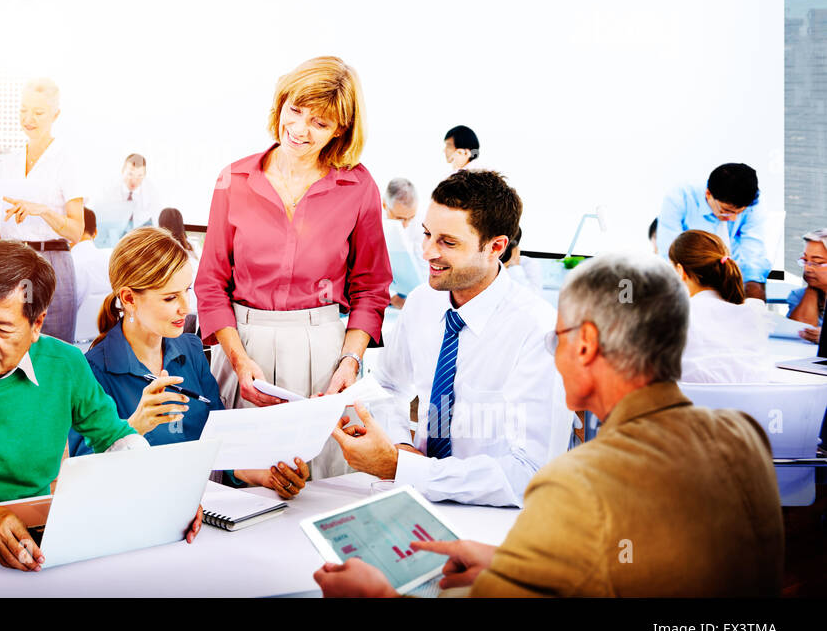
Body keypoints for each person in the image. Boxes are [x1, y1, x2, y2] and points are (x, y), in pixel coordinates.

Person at [315, 254, 784, 597]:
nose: (550, 353)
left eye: (554, 337)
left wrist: (378, 596)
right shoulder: (744, 435)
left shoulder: (574, 483)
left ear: (584, 347)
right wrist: (510, 563)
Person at [0, 240, 201, 572]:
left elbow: (115, 436)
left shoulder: (65, 363)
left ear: (37, 325)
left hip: (35, 530)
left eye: (3, 329)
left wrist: (168, 490)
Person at [195, 56, 392, 479]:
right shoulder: (235, 178)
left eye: (319, 123)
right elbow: (210, 283)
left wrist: (349, 362)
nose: (300, 130)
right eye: (295, 111)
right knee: (236, 484)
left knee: (316, 483)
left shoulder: (358, 187)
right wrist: (237, 358)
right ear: (281, 104)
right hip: (241, 349)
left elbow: (372, 288)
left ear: (341, 128)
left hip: (323, 352)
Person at [330, 170, 570, 507]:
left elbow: (531, 473)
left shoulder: (539, 331)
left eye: (448, 242)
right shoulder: (421, 303)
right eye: (427, 234)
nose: (427, 252)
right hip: (418, 498)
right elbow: (387, 385)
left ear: (496, 247)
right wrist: (401, 448)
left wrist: (405, 469)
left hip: (498, 517)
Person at [67, 227, 310, 499]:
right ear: (128, 298)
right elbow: (81, 476)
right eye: (170, 298)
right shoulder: (91, 371)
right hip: (139, 512)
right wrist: (135, 426)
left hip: (203, 508)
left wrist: (264, 475)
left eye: (187, 291)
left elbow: (220, 445)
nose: (186, 306)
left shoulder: (192, 350)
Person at [0, 78, 84, 343]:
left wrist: (42, 211)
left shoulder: (66, 162)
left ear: (55, 115)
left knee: (54, 346)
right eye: (23, 110)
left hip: (51, 261)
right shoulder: (8, 163)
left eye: (38, 112)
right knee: (10, 341)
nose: (29, 118)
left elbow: (76, 230)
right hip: (11, 261)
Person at [668, 230, 770, 383]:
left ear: (680, 271)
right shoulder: (754, 312)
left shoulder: (676, 315)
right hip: (750, 405)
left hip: (693, 403)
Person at [656, 163, 770, 300]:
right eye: (726, 211)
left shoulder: (753, 202)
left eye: (739, 213)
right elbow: (670, 255)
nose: (733, 219)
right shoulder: (680, 198)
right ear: (708, 194)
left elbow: (753, 254)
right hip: (690, 280)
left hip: (733, 279)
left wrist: (754, 296)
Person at [94, 154, 161, 247]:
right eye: (130, 174)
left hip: (139, 232)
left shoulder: (151, 192)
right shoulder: (110, 188)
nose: (134, 180)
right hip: (113, 230)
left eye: (140, 176)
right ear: (123, 172)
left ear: (144, 175)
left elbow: (155, 218)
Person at [382, 177, 425, 311]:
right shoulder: (369, 220)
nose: (405, 225)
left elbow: (423, 271)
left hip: (413, 298)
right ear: (384, 205)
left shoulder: (423, 225)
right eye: (399, 218)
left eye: (410, 218)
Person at [71, 207, 112, 343]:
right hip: (109, 339)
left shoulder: (68, 265)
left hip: (76, 344)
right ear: (95, 233)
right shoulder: (112, 259)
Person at [787, 227, 826, 345]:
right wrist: (812, 287)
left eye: (817, 263)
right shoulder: (798, 296)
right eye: (805, 260)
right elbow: (798, 335)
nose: (807, 268)